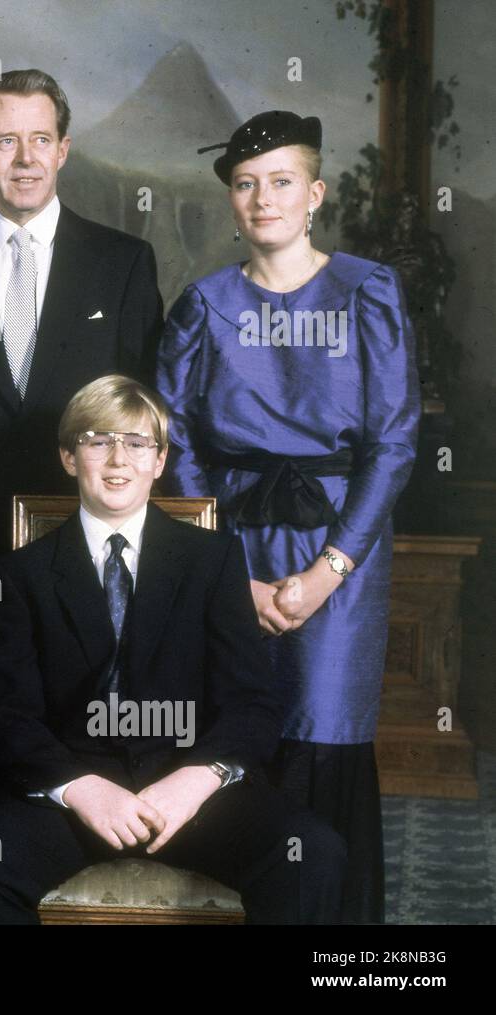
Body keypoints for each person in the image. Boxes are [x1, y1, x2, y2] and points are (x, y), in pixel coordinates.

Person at [0, 375, 346, 924]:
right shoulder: (20, 575)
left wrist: (195, 781)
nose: (118, 459)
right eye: (97, 441)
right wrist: (80, 789)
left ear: (159, 461)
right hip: (74, 795)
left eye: (136, 443)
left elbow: (253, 704)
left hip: (188, 789)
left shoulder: (213, 560)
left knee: (312, 853)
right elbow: (2, 713)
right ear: (68, 457)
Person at [156, 110, 420, 924]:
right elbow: (174, 442)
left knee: (321, 728)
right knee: (233, 731)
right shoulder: (204, 303)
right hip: (228, 542)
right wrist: (227, 573)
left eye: (280, 181)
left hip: (341, 544)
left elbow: (394, 442)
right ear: (231, 201)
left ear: (316, 193)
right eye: (245, 184)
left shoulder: (367, 290)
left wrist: (328, 570)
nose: (262, 198)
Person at [0, 69, 164, 805]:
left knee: (77, 737)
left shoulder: (122, 264)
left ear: (64, 150)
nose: (24, 159)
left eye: (40, 140)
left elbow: (146, 412)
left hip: (80, 542)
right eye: (5, 141)